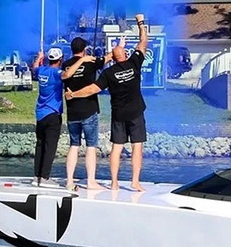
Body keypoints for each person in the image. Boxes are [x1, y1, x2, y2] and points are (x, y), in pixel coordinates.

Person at [67, 14, 149, 192]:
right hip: (136, 113)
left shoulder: (109, 74)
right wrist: (140, 23)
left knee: (116, 148)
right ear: (125, 54)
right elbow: (143, 43)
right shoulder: (134, 63)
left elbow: (92, 89)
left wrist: (73, 94)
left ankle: (114, 182)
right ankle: (135, 181)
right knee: (137, 147)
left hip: (118, 115)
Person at [61, 37, 112, 191]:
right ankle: (91, 182)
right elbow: (109, 58)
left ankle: (69, 181)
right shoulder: (91, 62)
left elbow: (66, 76)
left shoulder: (66, 65)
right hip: (89, 110)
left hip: (72, 112)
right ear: (84, 49)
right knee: (91, 146)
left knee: (74, 145)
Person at [32, 46, 64, 187]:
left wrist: (39, 58)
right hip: (52, 113)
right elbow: (67, 76)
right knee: (50, 146)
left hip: (40, 114)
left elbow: (34, 68)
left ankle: (36, 176)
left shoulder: (41, 70)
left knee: (40, 145)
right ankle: (45, 177)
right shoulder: (57, 73)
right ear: (61, 59)